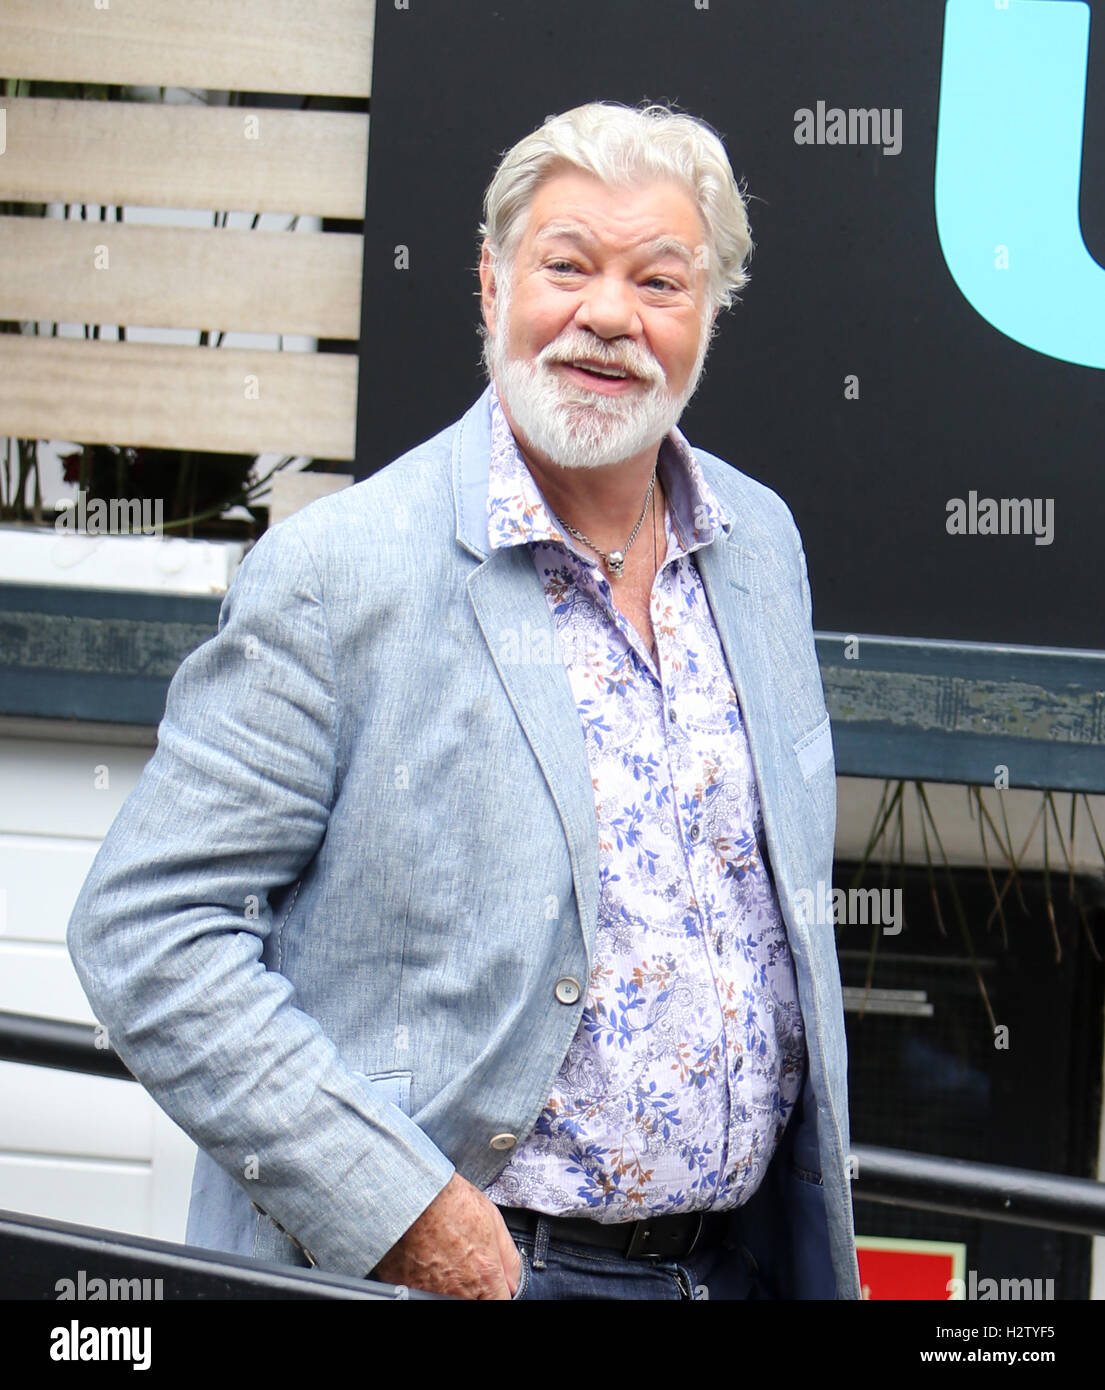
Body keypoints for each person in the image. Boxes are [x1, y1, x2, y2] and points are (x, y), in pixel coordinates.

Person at [67, 101, 860, 1301]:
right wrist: (396, 1209)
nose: (610, 315)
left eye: (659, 281)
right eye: (567, 266)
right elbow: (147, 931)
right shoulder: (337, 573)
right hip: (465, 1277)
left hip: (735, 1267)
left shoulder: (761, 543)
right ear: (490, 283)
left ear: (708, 314)